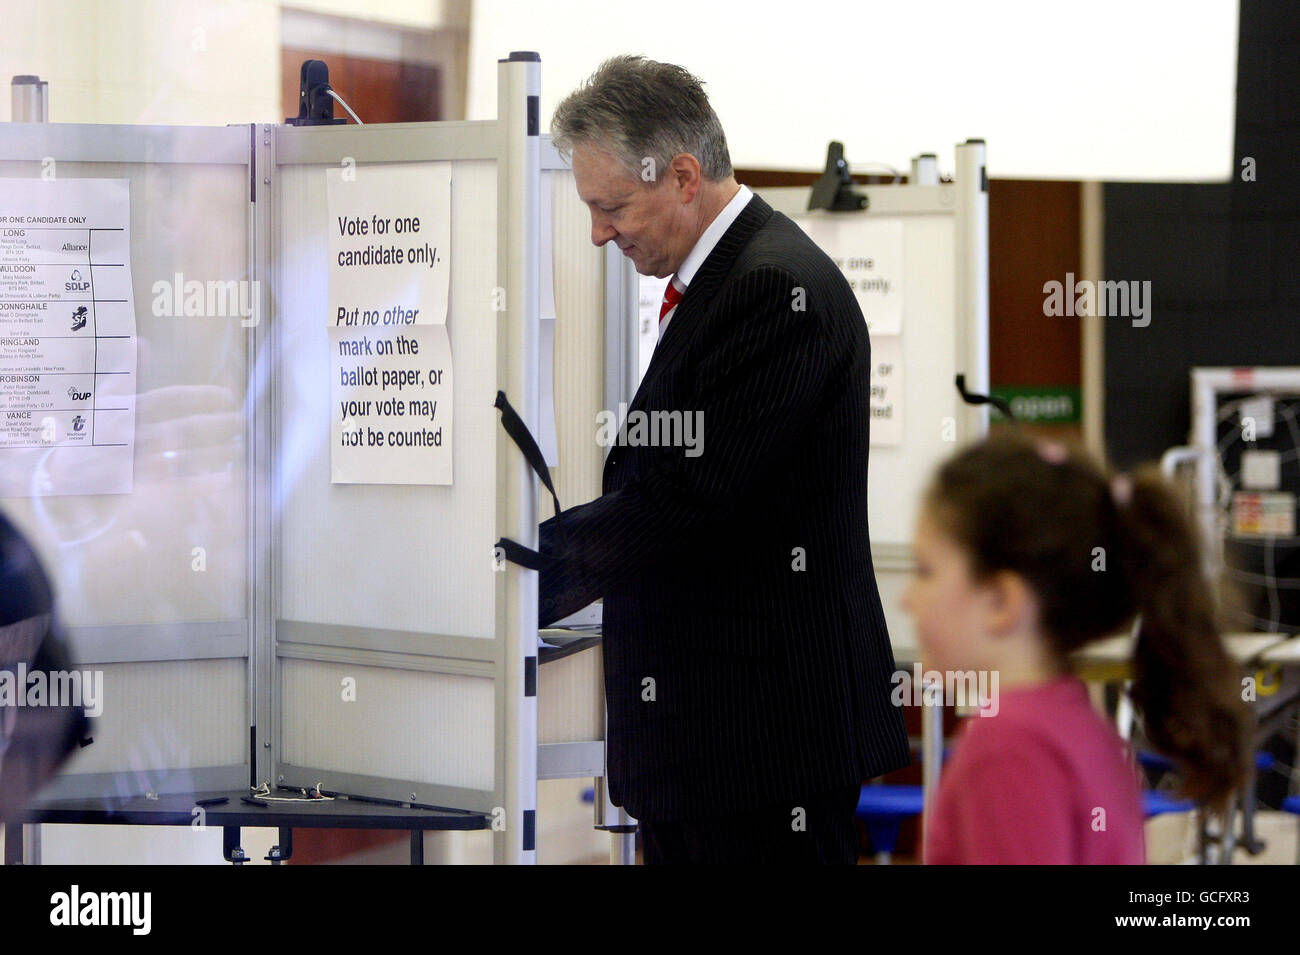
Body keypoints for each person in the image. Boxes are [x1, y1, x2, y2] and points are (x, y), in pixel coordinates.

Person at [535, 55, 909, 863]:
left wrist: (524, 577)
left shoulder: (773, 291)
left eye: (613, 207)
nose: (600, 233)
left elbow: (688, 499)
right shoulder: (732, 279)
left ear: (680, 175)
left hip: (761, 743)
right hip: (717, 740)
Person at [903, 431, 1250, 864]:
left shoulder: (1008, 748)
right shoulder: (1081, 730)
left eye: (925, 570)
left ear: (1001, 601)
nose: (905, 598)